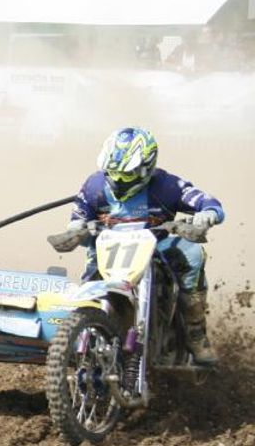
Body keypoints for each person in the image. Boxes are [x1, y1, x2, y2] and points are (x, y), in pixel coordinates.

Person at [66, 126, 224, 365]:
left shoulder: (166, 185)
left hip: (156, 248)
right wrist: (77, 228)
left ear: (146, 168)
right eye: (112, 172)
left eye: (126, 175)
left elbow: (206, 201)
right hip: (108, 249)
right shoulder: (94, 185)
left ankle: (195, 333)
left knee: (193, 254)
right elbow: (77, 217)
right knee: (89, 264)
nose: (117, 180)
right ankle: (81, 329)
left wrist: (208, 213)